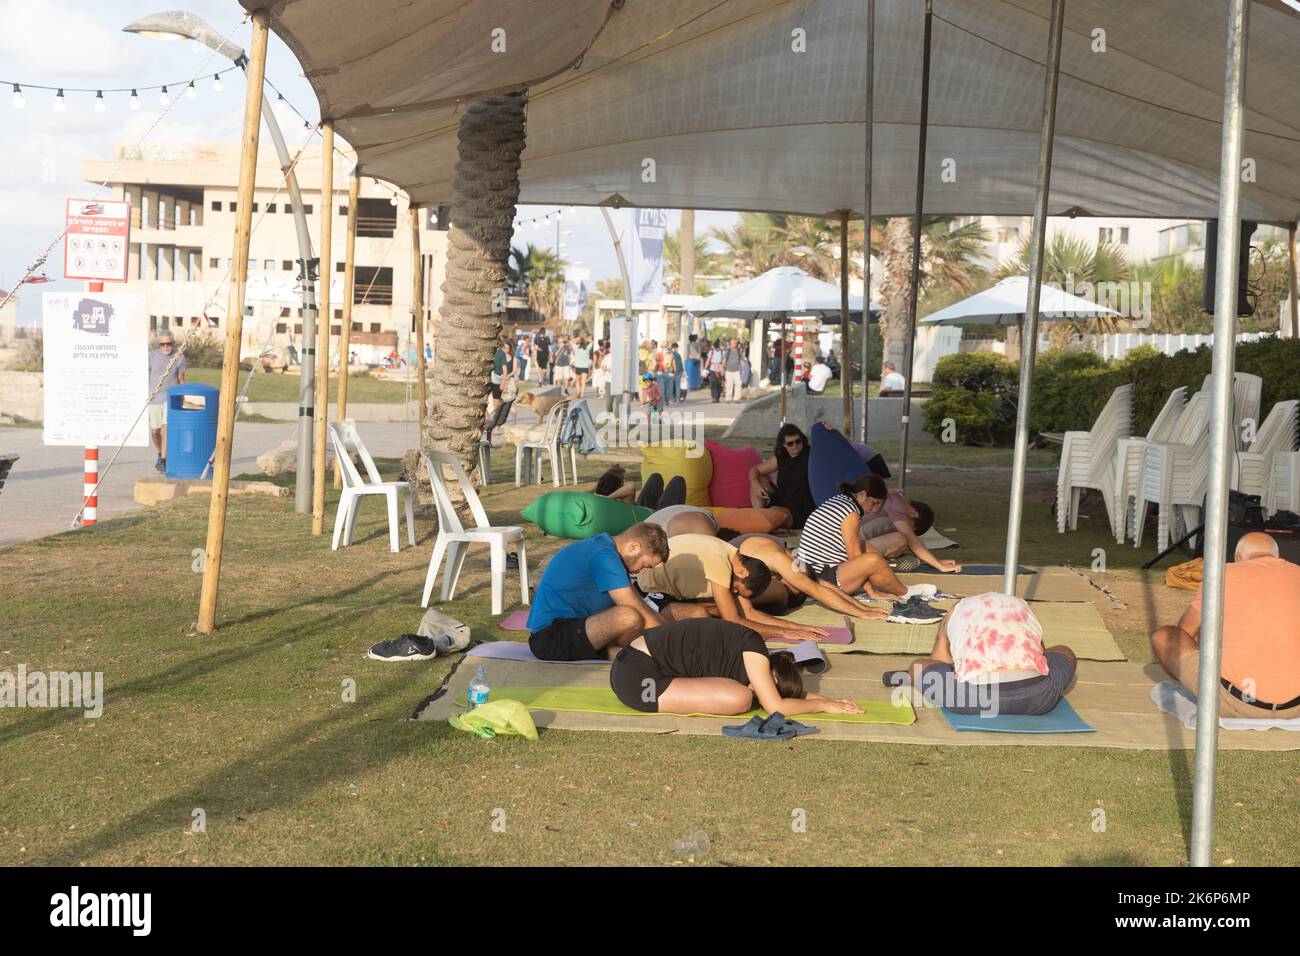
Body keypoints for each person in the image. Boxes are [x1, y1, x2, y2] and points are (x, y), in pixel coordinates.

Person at [1150, 532, 1300, 718]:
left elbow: (1184, 633)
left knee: (1165, 637)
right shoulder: (1296, 572)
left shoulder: (1224, 574)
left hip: (1238, 703)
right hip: (1296, 708)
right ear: (1277, 556)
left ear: (1237, 558)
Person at [609, 618, 863, 716]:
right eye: (767, 688)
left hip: (633, 666)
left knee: (745, 693)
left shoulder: (752, 656)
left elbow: (777, 694)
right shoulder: (754, 650)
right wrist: (823, 706)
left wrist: (829, 698)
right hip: (640, 682)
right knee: (740, 698)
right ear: (772, 673)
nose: (762, 692)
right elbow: (777, 706)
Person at [889, 593, 1077, 716]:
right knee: (1065, 651)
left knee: (917, 667)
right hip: (1037, 698)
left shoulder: (957, 610)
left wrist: (944, 638)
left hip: (973, 700)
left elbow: (938, 662)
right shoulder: (1021, 605)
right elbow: (1039, 654)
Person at [635, 533, 828, 641]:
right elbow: (733, 620)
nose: (733, 592)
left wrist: (799, 627)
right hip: (648, 594)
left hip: (668, 591)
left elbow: (748, 613)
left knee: (718, 609)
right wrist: (784, 632)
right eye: (736, 590)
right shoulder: (720, 562)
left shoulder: (732, 557)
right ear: (743, 573)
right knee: (700, 615)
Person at [527, 523, 670, 662]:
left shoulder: (604, 548)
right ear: (633, 547)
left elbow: (639, 605)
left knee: (641, 644)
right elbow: (635, 607)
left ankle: (615, 652)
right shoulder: (604, 556)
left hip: (578, 629)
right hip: (551, 636)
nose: (644, 572)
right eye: (646, 566)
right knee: (629, 616)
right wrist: (671, 641)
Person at [794, 475, 954, 595]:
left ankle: (891, 583)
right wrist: (872, 592)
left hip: (812, 570)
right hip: (822, 578)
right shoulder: (851, 512)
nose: (875, 509)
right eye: (874, 503)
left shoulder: (841, 499)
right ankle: (905, 593)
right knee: (872, 560)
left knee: (868, 548)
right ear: (862, 494)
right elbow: (855, 558)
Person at [858, 486, 958, 572]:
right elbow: (912, 539)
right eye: (911, 527)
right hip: (849, 548)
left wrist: (935, 561)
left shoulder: (892, 497)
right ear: (914, 513)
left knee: (901, 542)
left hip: (850, 544)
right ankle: (881, 563)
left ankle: (880, 562)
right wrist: (939, 565)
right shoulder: (896, 502)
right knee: (901, 538)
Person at [747, 423, 816, 528]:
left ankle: (758, 521)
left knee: (773, 513)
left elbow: (828, 447)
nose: (795, 446)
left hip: (800, 510)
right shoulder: (781, 458)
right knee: (758, 478)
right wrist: (755, 484)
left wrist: (827, 428)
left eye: (798, 441)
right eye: (790, 443)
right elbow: (754, 470)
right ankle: (758, 515)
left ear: (802, 440)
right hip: (782, 500)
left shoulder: (811, 454)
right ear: (783, 445)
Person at [147, 330, 187, 473]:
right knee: (155, 431)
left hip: (171, 397)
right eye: (162, 344)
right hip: (154, 398)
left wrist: (183, 397)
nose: (165, 347)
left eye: (168, 344)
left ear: (173, 343)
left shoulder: (179, 357)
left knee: (166, 428)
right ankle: (160, 453)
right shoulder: (151, 356)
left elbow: (181, 379)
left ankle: (164, 460)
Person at [723, 338, 744, 402]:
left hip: (737, 370)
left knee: (738, 384)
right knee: (729, 385)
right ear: (730, 344)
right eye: (733, 343)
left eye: (735, 343)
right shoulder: (728, 351)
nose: (734, 344)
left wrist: (743, 369)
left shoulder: (738, 352)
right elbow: (724, 360)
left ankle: (736, 398)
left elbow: (741, 361)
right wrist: (723, 368)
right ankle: (728, 398)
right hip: (728, 370)